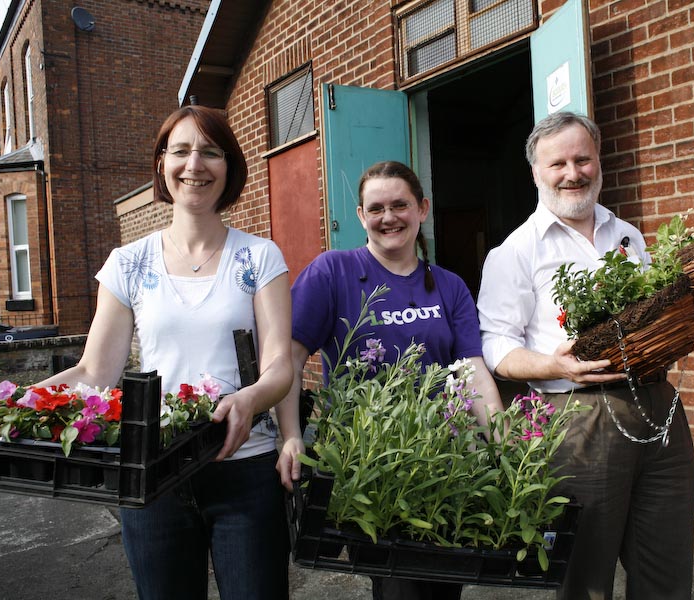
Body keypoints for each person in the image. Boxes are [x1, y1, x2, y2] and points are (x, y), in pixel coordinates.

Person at [37, 105, 294, 600]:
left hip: (245, 469)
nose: (194, 164)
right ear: (161, 164)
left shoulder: (260, 256)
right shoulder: (127, 264)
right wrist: (20, 401)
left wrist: (252, 398)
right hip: (153, 472)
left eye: (210, 152)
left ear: (228, 166)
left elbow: (280, 364)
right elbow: (96, 370)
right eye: (180, 150)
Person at [476, 111, 694, 600]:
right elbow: (494, 343)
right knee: (584, 577)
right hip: (579, 417)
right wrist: (552, 365)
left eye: (583, 159)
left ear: (599, 162)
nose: (572, 173)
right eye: (558, 163)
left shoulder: (629, 236)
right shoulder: (516, 252)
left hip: (659, 407)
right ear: (536, 172)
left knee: (667, 569)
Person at [275, 160, 503, 600]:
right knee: (399, 588)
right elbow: (289, 356)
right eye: (375, 208)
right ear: (361, 216)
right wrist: (291, 435)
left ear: (423, 209)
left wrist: (502, 442)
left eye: (400, 205)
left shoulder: (450, 286)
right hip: (373, 469)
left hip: (445, 465)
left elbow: (473, 371)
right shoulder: (332, 272)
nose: (388, 217)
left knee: (443, 586)